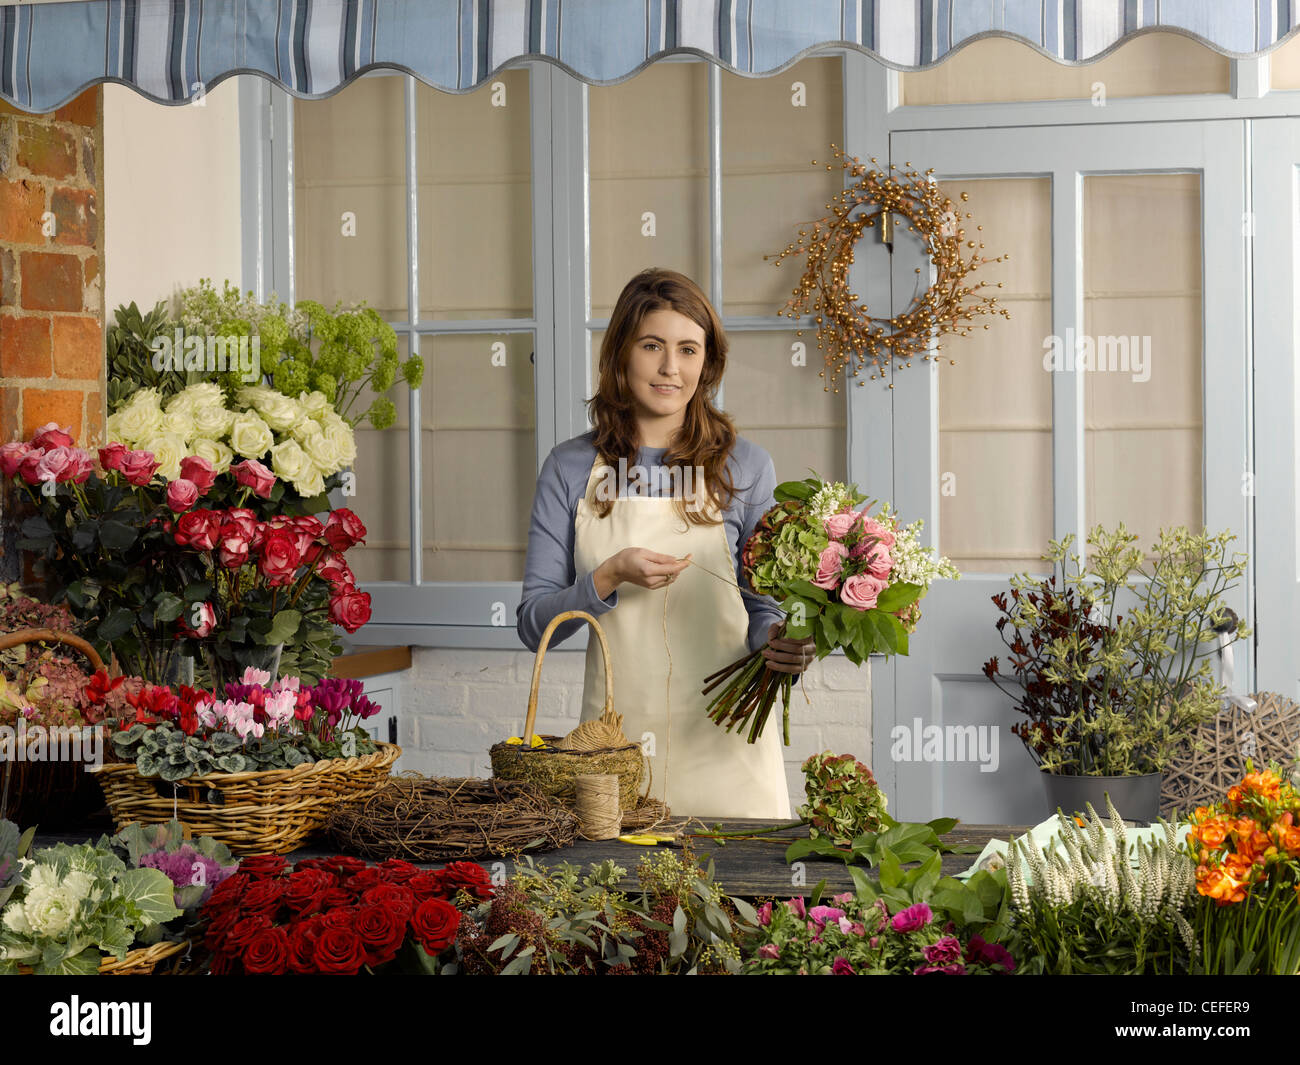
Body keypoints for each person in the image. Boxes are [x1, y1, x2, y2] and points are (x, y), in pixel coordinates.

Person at [516, 267, 816, 819]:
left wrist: (777, 640)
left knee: (740, 899)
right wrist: (607, 577)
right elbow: (534, 625)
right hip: (613, 747)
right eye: (652, 345)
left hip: (727, 738)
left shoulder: (746, 466)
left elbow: (760, 603)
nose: (670, 368)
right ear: (621, 355)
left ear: (708, 363)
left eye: (688, 349)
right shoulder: (570, 466)